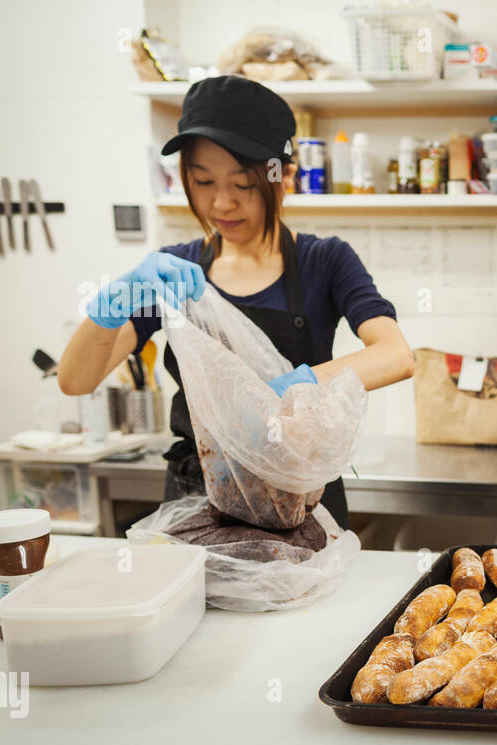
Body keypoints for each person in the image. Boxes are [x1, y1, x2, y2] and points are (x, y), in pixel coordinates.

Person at [59, 76, 414, 527]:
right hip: (201, 495)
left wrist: (287, 388)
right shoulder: (174, 272)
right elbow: (75, 380)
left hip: (301, 492)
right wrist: (114, 299)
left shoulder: (325, 260)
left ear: (283, 175)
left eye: (243, 184)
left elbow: (396, 355)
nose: (221, 202)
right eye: (202, 180)